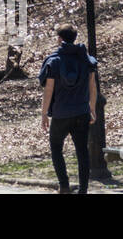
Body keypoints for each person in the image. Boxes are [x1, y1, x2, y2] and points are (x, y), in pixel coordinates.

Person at [39, 23, 98, 194]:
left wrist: (44, 113)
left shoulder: (54, 61)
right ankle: (83, 189)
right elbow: (92, 86)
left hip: (61, 113)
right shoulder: (86, 59)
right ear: (74, 38)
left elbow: (49, 89)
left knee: (56, 147)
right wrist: (92, 108)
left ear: (59, 38)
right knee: (82, 151)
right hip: (81, 111)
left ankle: (64, 186)